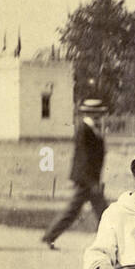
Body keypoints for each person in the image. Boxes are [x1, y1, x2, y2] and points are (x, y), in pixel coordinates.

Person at [42, 98, 108, 250]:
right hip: (87, 180)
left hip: (90, 179)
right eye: (96, 113)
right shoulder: (84, 129)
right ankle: (50, 236)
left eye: (99, 113)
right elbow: (84, 158)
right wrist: (92, 182)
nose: (98, 116)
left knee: (99, 211)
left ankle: (50, 236)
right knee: (100, 212)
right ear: (89, 113)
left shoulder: (92, 128)